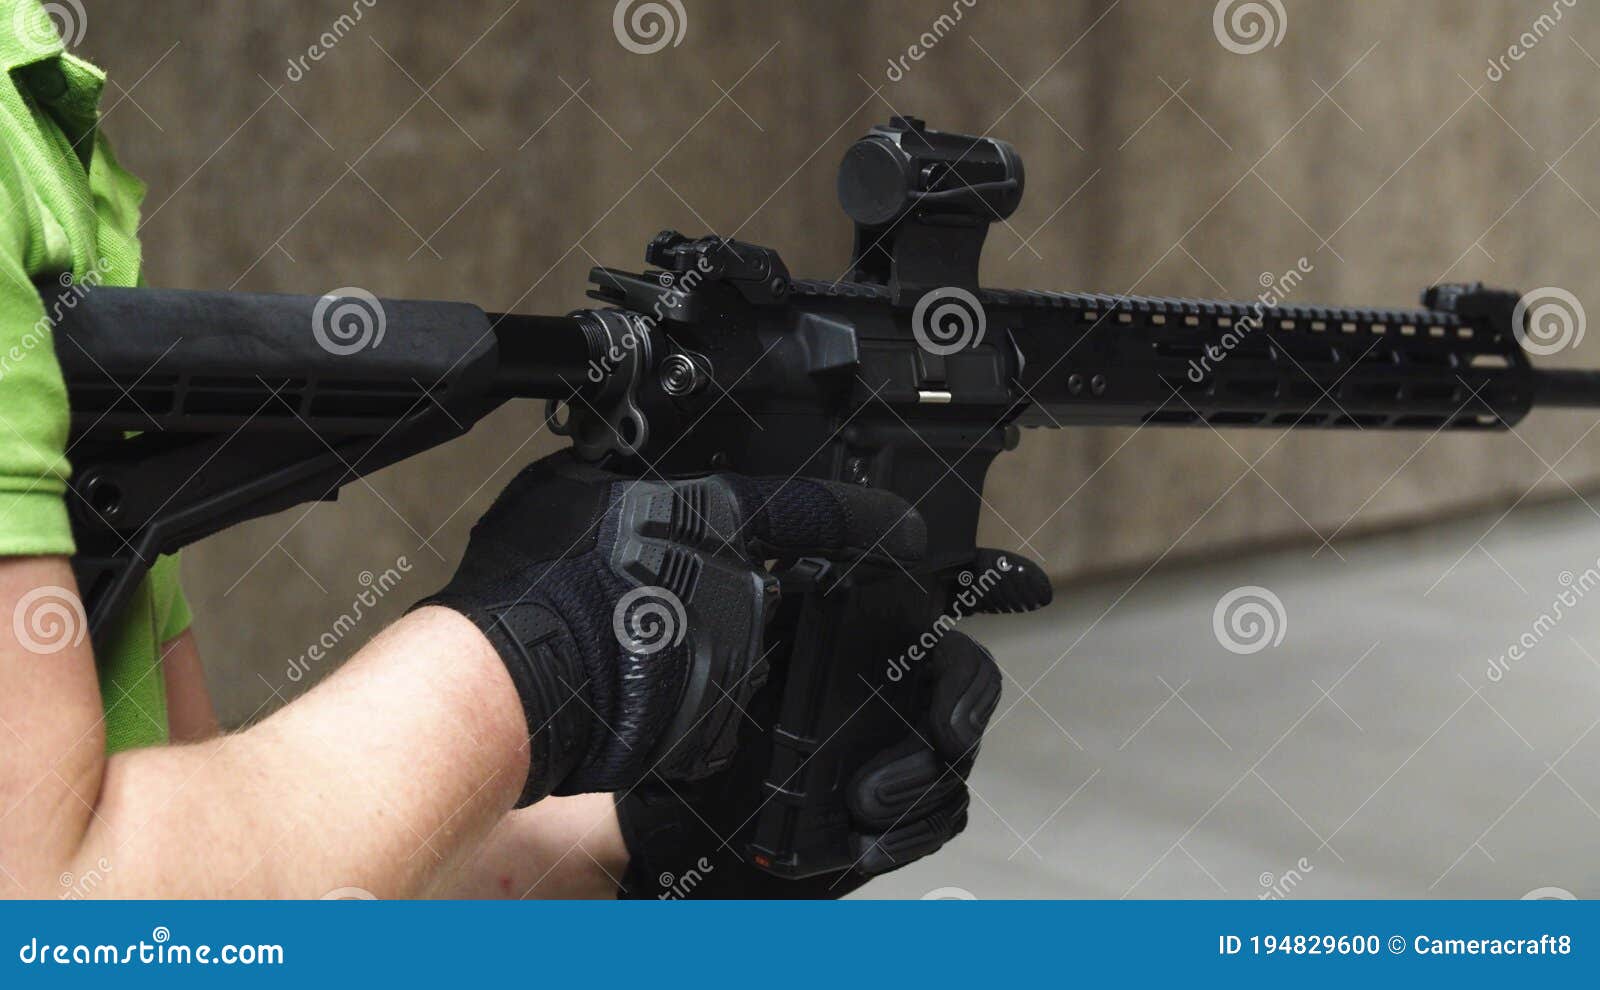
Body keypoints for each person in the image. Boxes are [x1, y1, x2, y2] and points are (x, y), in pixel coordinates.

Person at [0, 0, 998, 899]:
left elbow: (231, 887)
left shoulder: (28, 94)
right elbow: (53, 919)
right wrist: (539, 658)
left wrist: (663, 834)